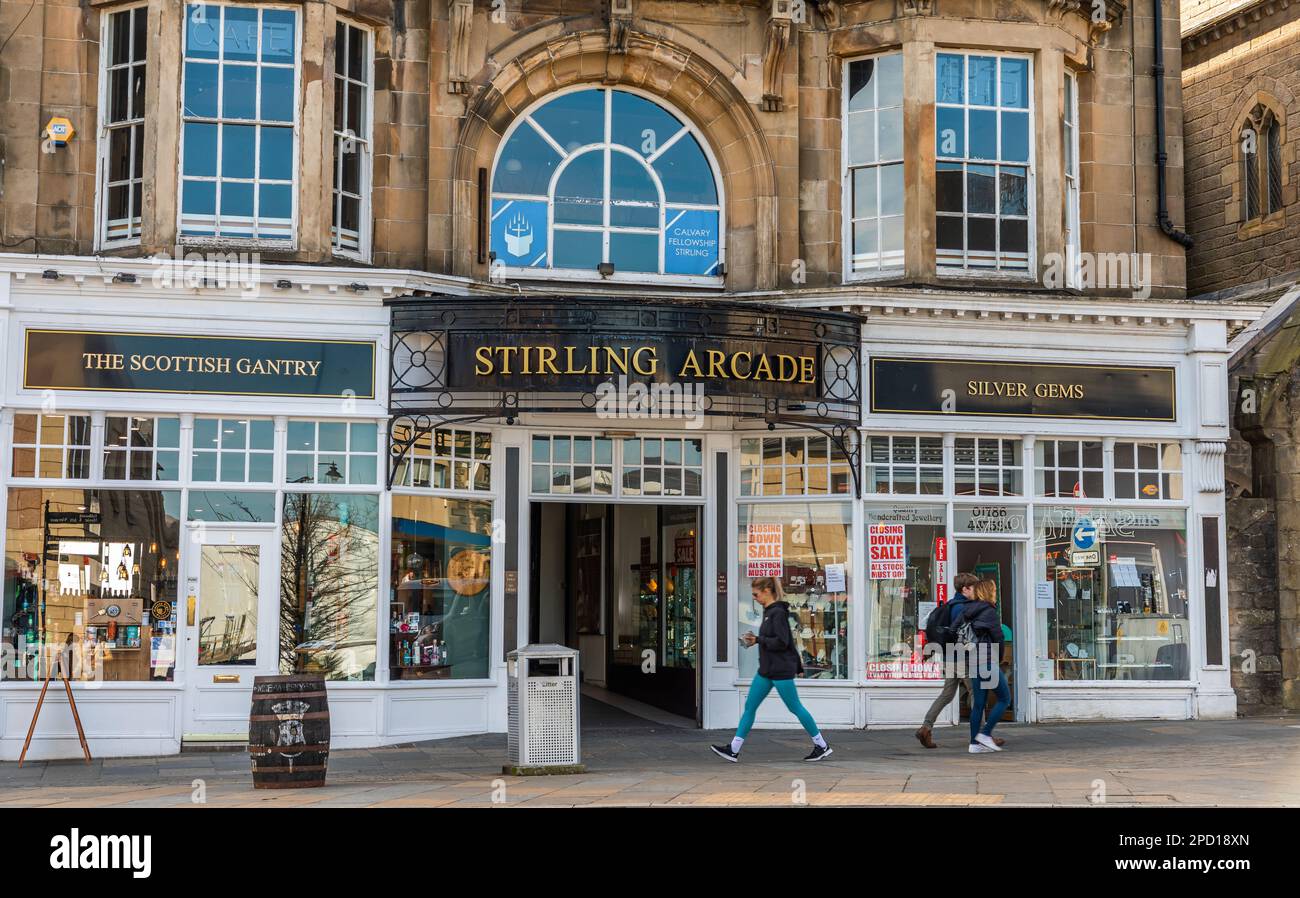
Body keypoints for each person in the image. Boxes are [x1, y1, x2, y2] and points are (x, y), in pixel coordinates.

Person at [711, 578, 833, 762]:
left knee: (795, 708)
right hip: (767, 670)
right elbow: (789, 641)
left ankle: (822, 745)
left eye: (756, 594)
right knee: (750, 707)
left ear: (767, 591)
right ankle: (733, 749)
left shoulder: (777, 613)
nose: (755, 598)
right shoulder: (770, 612)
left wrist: (759, 640)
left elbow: (783, 641)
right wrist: (797, 664)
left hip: (780, 670)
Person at [915, 572, 1003, 749]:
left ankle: (926, 727)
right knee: (977, 694)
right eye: (973, 588)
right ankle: (984, 734)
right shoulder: (965, 607)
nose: (976, 591)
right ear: (965, 589)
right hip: (964, 657)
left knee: (947, 694)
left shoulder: (949, 604)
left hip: (949, 655)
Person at [965, 578, 1012, 753]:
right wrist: (998, 658)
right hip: (987, 660)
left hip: (973, 660)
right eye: (993, 589)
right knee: (1004, 698)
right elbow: (998, 638)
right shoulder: (990, 611)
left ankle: (974, 744)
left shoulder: (968, 610)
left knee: (979, 704)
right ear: (989, 591)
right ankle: (985, 734)